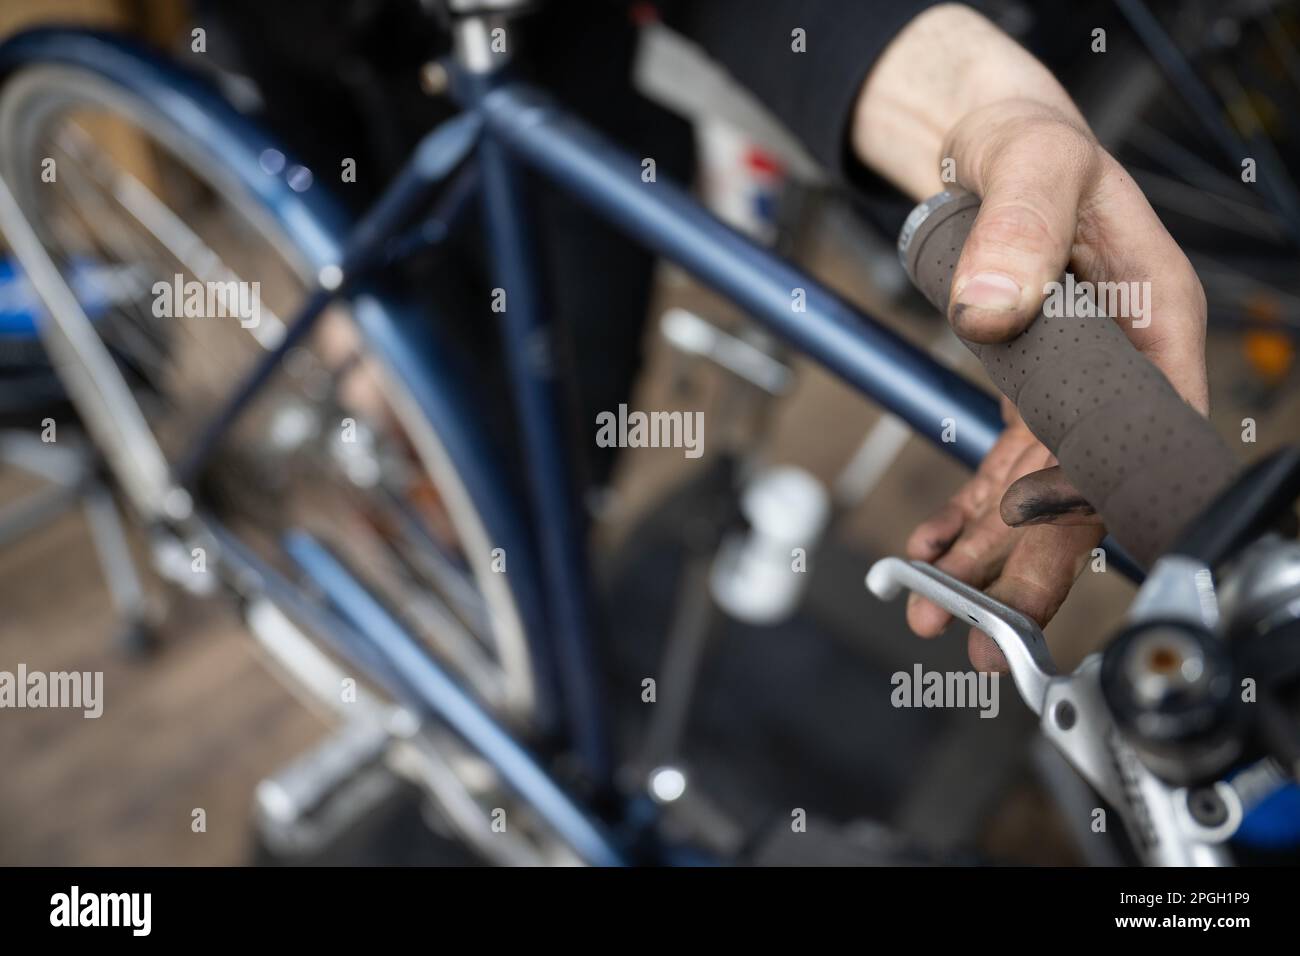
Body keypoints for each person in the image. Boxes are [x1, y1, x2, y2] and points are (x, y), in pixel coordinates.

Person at [203, 1, 1210, 672]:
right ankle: (418, 477)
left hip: (553, 45)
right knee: (392, 333)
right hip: (294, 36)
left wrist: (994, 110)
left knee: (560, 441)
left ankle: (519, 576)